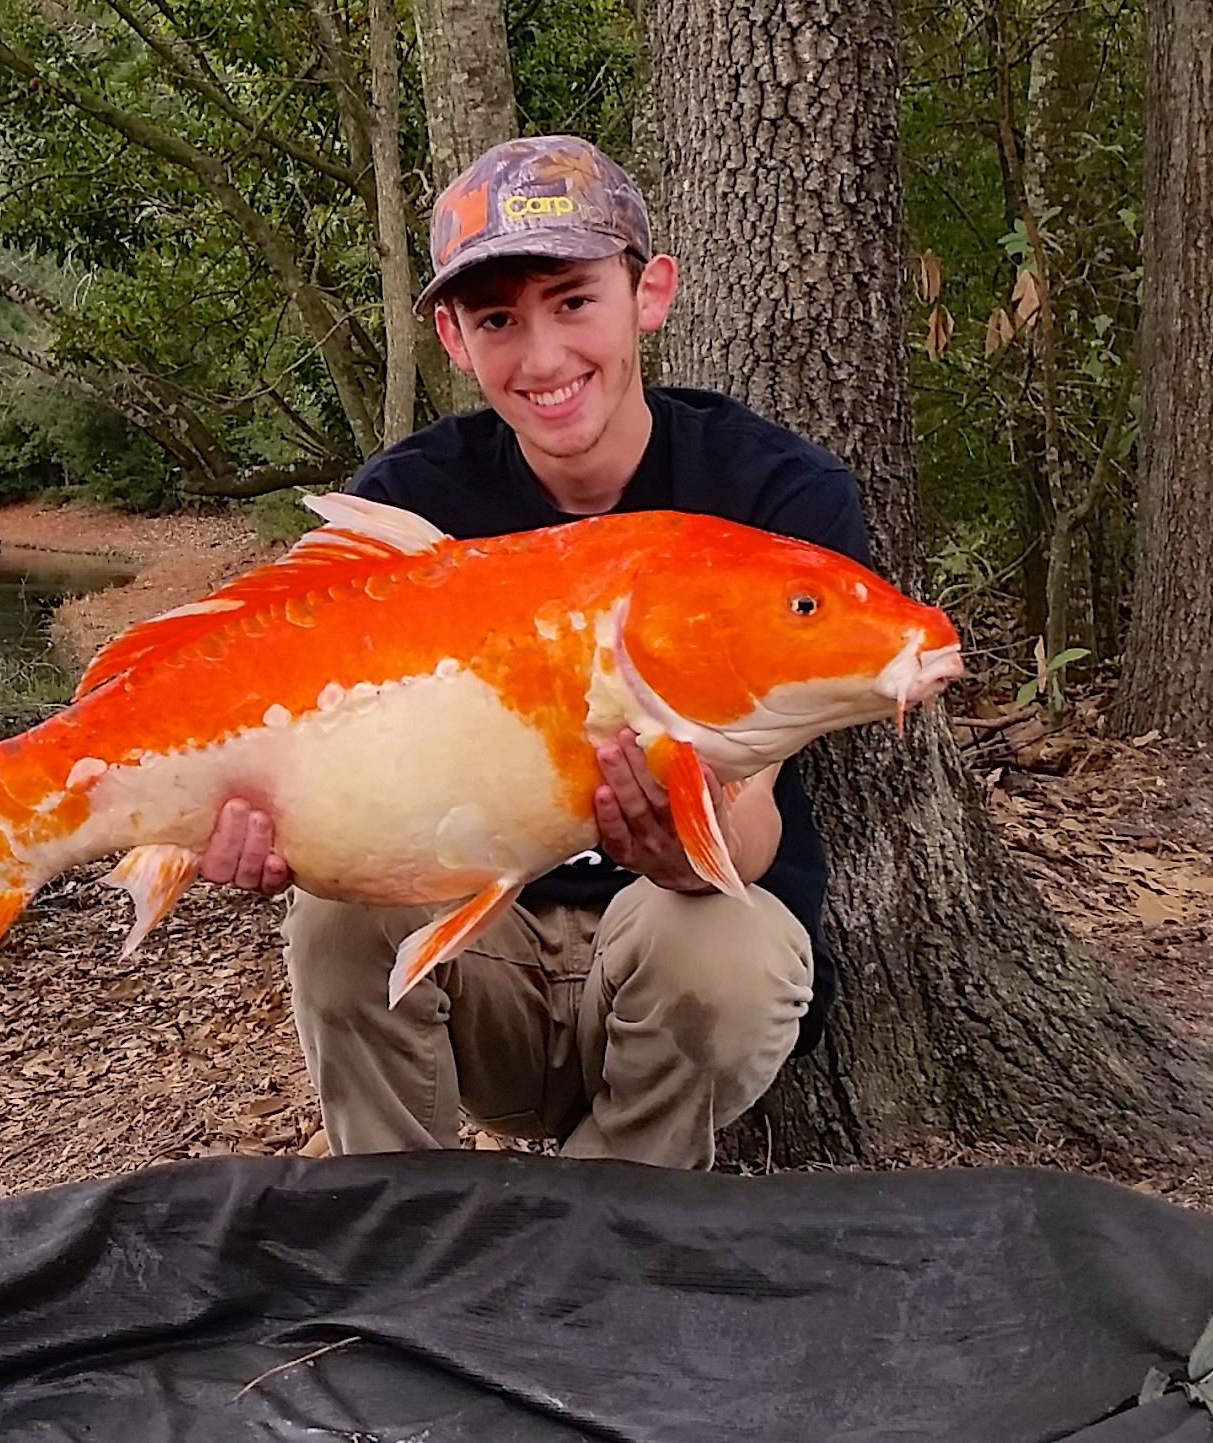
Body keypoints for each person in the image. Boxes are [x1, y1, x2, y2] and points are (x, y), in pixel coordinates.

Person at [199, 134, 872, 1170]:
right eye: (497, 321)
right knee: (328, 922)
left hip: (675, 964)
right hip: (480, 960)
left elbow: (743, 833)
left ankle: (607, 1232)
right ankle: (400, 1229)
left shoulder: (771, 502)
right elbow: (299, 738)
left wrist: (675, 840)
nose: (543, 358)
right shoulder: (406, 508)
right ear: (453, 339)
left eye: (571, 301)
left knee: (717, 943)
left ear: (648, 292)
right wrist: (244, 821)